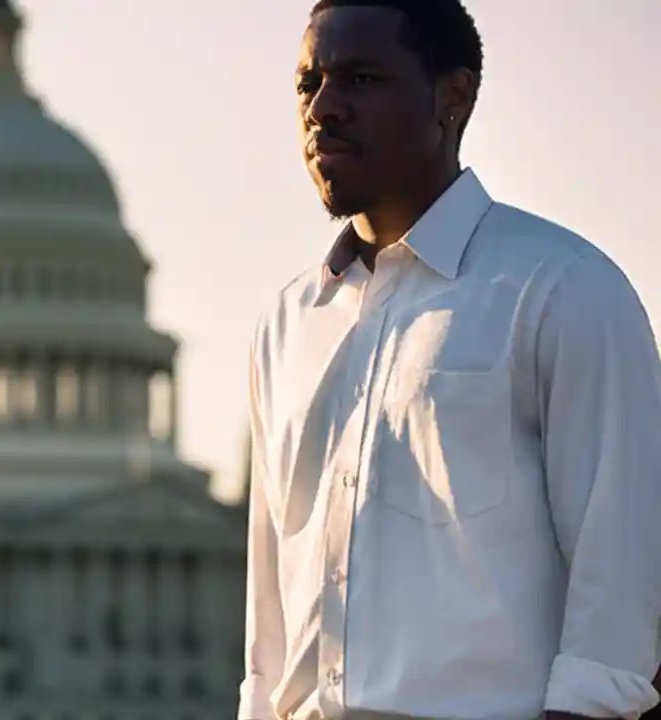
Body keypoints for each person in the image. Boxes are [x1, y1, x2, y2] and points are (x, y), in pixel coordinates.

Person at [240, 1, 661, 719]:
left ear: (452, 97)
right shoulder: (286, 326)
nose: (325, 109)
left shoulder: (563, 291)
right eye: (309, 84)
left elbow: (618, 607)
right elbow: (270, 634)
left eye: (362, 80)